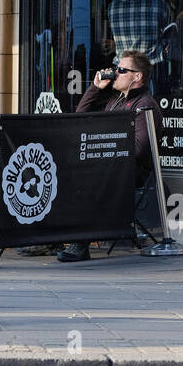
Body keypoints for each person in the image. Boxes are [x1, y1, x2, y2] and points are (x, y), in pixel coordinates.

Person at [50, 50, 162, 263]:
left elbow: (138, 149)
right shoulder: (115, 102)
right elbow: (80, 118)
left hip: (130, 171)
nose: (116, 73)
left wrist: (103, 147)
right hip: (105, 166)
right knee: (58, 172)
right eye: (116, 69)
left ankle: (80, 242)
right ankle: (53, 237)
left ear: (137, 77)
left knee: (84, 179)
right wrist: (95, 88)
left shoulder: (146, 106)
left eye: (121, 70)